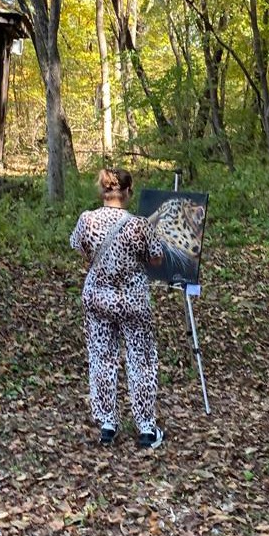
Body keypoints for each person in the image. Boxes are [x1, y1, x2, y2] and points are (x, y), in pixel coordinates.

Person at [70, 168, 165, 449]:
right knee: (141, 361)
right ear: (128, 191)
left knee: (102, 360)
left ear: (102, 191)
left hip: (98, 298)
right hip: (132, 300)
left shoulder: (87, 220)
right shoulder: (138, 225)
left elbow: (78, 247)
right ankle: (146, 428)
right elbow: (157, 258)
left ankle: (107, 425)